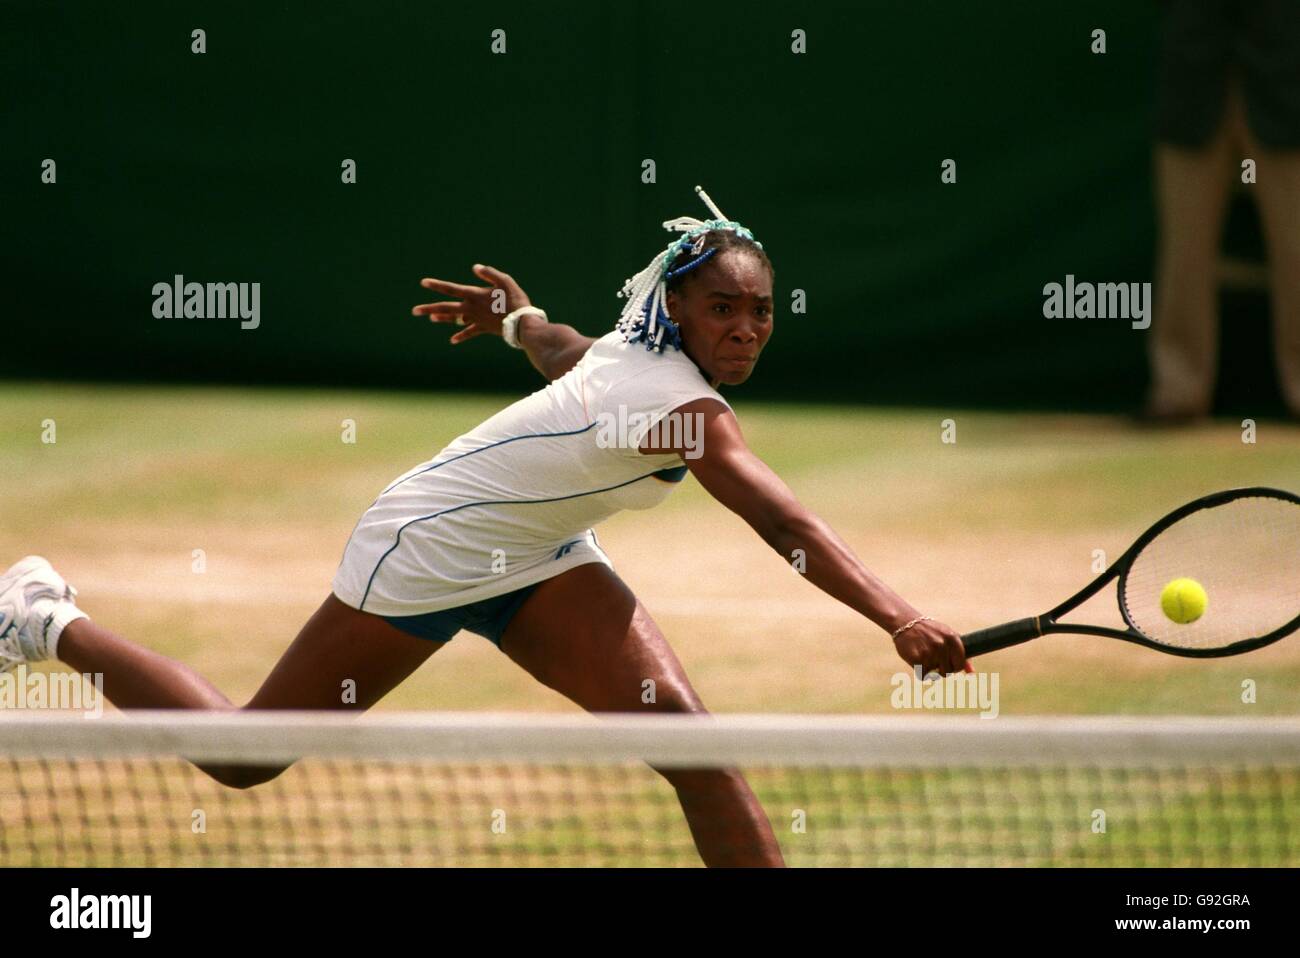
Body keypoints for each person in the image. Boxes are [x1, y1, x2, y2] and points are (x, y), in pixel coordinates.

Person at [0, 187, 969, 867]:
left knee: (689, 745)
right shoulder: (682, 408)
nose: (746, 328)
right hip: (427, 547)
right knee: (248, 754)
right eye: (722, 309)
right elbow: (780, 516)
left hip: (538, 557)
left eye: (759, 312)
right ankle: (46, 616)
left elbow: (564, 350)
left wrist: (517, 320)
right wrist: (897, 617)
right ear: (673, 308)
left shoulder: (636, 359)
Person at [1145, 0, 1300, 421]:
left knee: (1296, 249)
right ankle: (1178, 391)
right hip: (1192, 84)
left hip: (1285, 88)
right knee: (1183, 252)